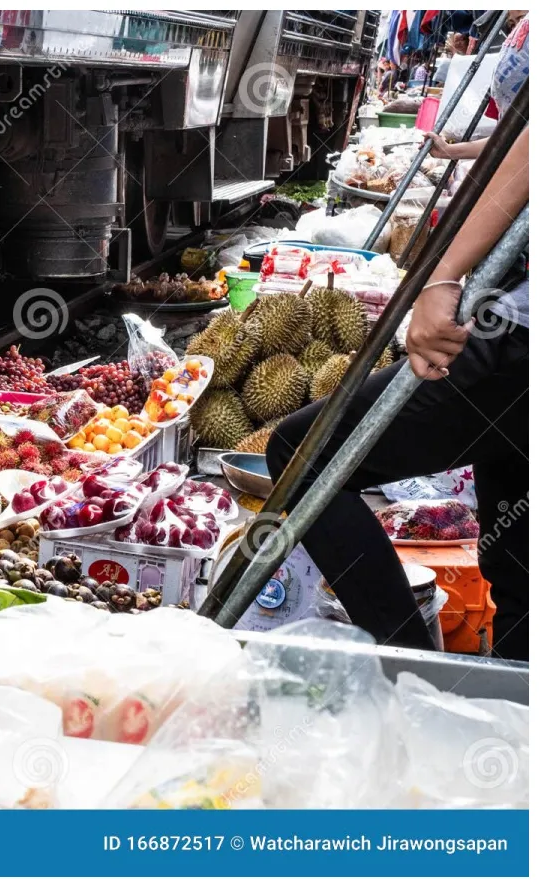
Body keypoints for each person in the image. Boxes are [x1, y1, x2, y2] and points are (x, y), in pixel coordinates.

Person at [266, 16, 530, 661]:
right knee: (516, 543)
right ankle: (513, 704)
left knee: (306, 455)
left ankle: (406, 668)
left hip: (520, 335)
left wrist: (440, 278)